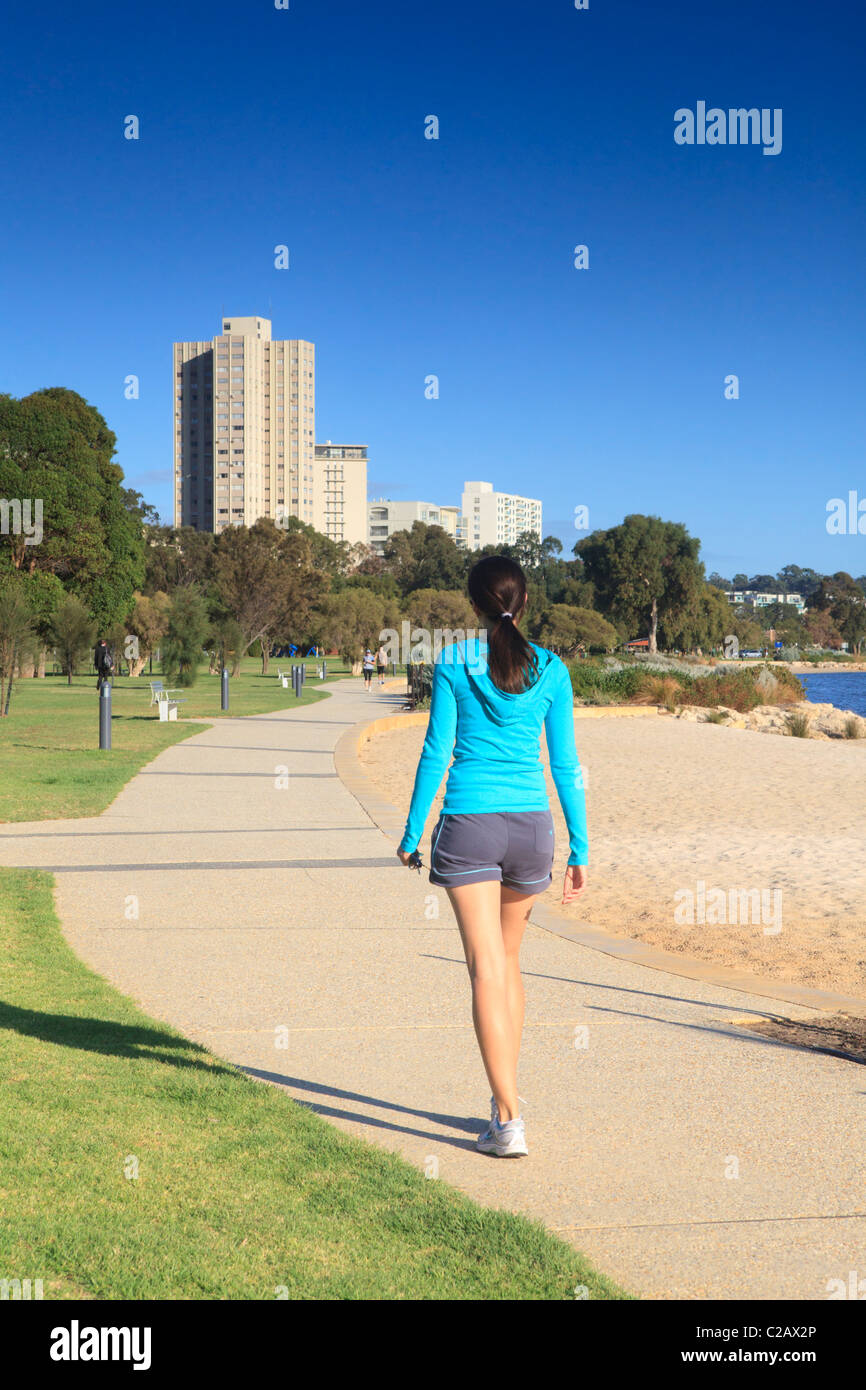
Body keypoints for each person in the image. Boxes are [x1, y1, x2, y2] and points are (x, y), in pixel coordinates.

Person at [397, 556, 588, 1158]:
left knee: (484, 967)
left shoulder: (453, 662)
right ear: (524, 601)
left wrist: (411, 832)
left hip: (471, 824)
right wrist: (579, 844)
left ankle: (507, 1118)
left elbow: (436, 752)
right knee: (507, 964)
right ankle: (505, 1100)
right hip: (532, 829)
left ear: (473, 604)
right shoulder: (553, 670)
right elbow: (565, 765)